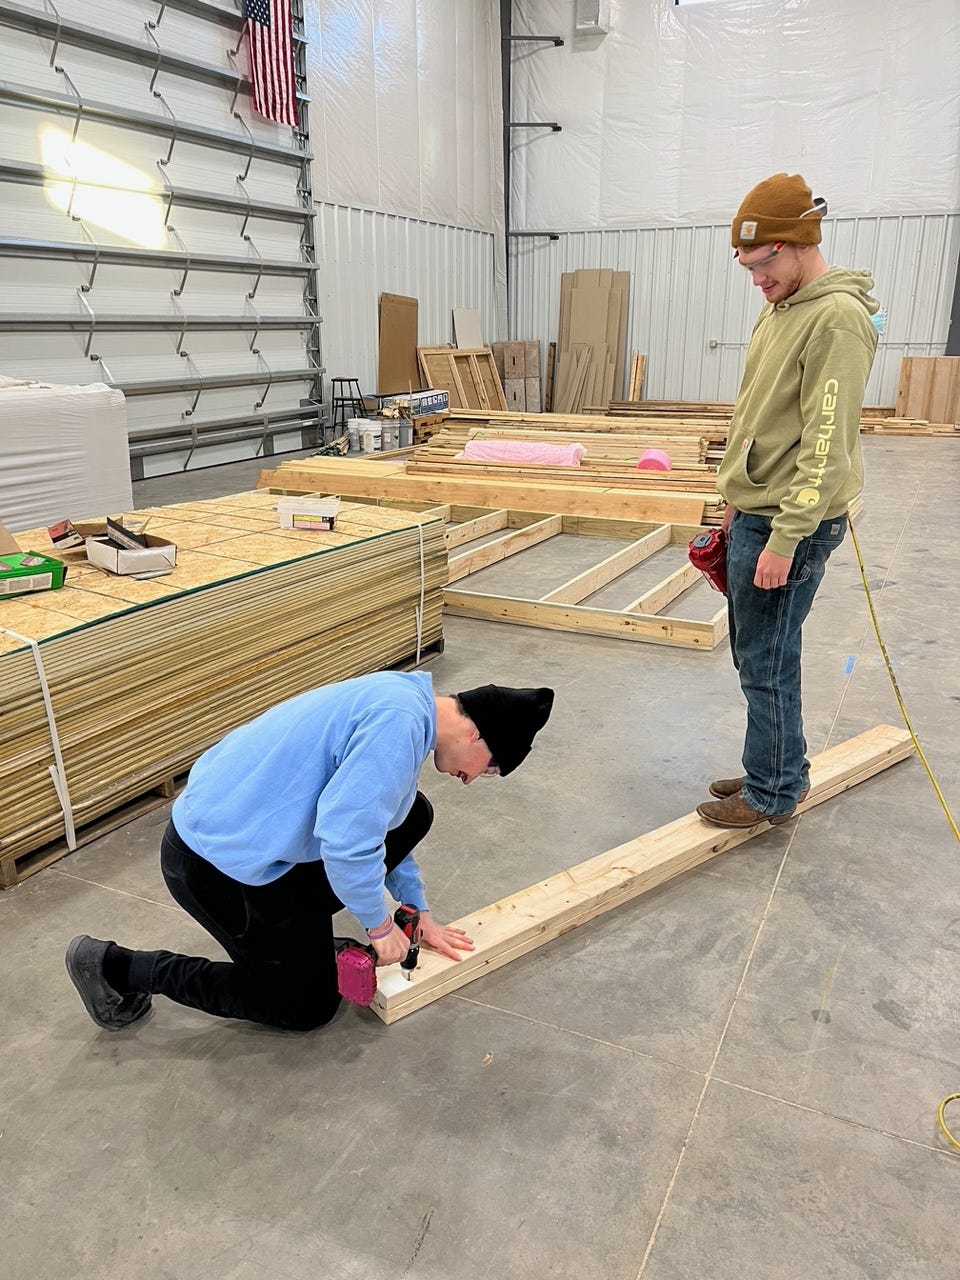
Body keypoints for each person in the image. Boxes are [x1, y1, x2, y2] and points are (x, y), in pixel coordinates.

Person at [66, 671, 554, 1031]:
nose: (474, 779)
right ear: (476, 734)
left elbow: (383, 826)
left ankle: (306, 950)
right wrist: (380, 928)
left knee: (416, 812)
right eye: (490, 767)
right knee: (303, 1005)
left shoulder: (408, 703)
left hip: (261, 848)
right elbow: (346, 841)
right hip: (215, 867)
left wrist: (415, 909)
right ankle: (115, 966)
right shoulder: (397, 725)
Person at [697, 173, 881, 829]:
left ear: (798, 243)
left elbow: (826, 444)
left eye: (763, 263)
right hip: (758, 510)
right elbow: (761, 417)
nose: (755, 279)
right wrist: (733, 504)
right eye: (747, 267)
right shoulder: (783, 309)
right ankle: (772, 767)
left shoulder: (835, 320)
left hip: (789, 521)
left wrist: (784, 537)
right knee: (757, 654)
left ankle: (774, 792)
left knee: (767, 659)